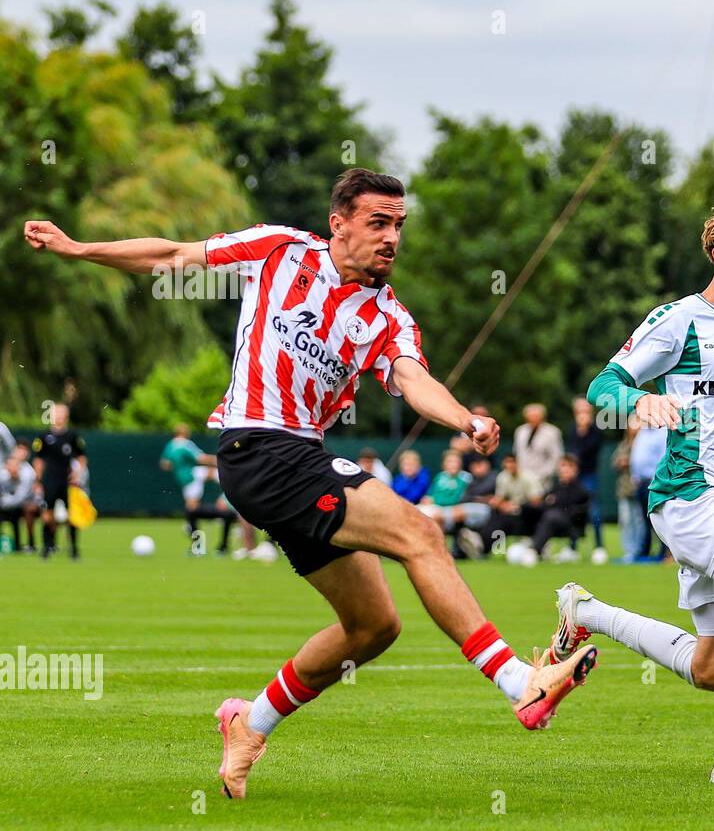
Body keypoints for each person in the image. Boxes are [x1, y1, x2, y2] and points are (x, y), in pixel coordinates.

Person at [24, 167, 598, 799]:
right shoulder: (280, 250)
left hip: (297, 462)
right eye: (378, 223)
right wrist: (79, 249)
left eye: (399, 225)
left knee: (374, 626)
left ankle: (249, 724)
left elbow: (411, 379)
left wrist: (463, 417)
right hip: (258, 447)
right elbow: (174, 254)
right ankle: (521, 683)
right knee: (419, 533)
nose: (391, 239)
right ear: (339, 223)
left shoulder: (388, 316)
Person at [548, 194, 714, 785]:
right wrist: (639, 400)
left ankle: (585, 611)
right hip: (689, 492)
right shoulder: (677, 319)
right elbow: (602, 387)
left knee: (712, 669)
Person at [160, 423, 237, 554]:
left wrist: (180, 467)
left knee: (192, 510)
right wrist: (219, 460)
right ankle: (200, 539)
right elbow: (201, 458)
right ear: (185, 433)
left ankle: (197, 542)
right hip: (192, 476)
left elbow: (165, 464)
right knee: (193, 509)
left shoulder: (170, 445)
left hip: (184, 480)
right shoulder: (186, 444)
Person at [30, 404, 87, 560]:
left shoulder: (73, 436)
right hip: (50, 480)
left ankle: (74, 550)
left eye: (61, 414)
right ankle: (47, 547)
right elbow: (38, 460)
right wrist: (38, 480)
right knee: (47, 515)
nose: (59, 416)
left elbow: (82, 458)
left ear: (66, 416)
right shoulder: (43, 436)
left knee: (72, 515)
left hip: (67, 482)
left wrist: (77, 475)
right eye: (56, 413)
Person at [528, 455, 589, 562]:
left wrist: (554, 502)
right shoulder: (556, 487)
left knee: (552, 516)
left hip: (572, 527)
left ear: (576, 469)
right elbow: (544, 503)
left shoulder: (580, 489)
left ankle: (534, 550)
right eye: (563, 465)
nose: (565, 469)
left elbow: (574, 510)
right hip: (551, 523)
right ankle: (532, 546)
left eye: (569, 466)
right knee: (531, 511)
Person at [567, 397, 606, 555]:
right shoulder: (572, 429)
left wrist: (584, 431)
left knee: (593, 510)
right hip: (574, 477)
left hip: (589, 476)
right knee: (571, 511)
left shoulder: (596, 430)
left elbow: (586, 451)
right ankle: (573, 548)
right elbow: (573, 452)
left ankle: (599, 547)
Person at [483, 453, 541, 549]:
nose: (510, 465)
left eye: (512, 462)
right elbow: (498, 500)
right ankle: (487, 545)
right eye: (507, 463)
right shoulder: (502, 477)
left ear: (517, 463)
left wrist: (517, 506)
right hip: (510, 512)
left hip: (527, 511)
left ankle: (530, 544)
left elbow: (536, 501)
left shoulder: (529, 477)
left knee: (526, 511)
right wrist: (504, 505)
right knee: (494, 513)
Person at [629, 419, 667, 559]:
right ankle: (644, 552)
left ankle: (663, 553)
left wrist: (656, 480)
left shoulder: (662, 432)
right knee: (644, 520)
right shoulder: (643, 431)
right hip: (641, 482)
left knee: (658, 519)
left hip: (653, 481)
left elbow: (663, 457)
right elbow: (636, 455)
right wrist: (635, 476)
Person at [612, 417, 645, 563]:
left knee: (640, 522)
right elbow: (614, 462)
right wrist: (621, 462)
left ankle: (640, 551)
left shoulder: (645, 444)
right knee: (626, 521)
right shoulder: (624, 444)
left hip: (641, 488)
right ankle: (629, 552)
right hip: (625, 489)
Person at [513, 403, 563, 492]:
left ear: (542, 417)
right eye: (530, 416)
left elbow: (556, 457)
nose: (532, 418)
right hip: (522, 479)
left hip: (542, 480)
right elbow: (516, 453)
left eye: (535, 416)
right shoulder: (520, 431)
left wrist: (543, 474)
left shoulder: (552, 432)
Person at [0, 451, 39, 552]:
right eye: (9, 465)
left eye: (14, 466)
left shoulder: (25, 477)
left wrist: (3, 501)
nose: (11, 468)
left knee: (25, 511)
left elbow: (19, 498)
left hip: (21, 506)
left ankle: (28, 544)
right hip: (5, 507)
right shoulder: (2, 477)